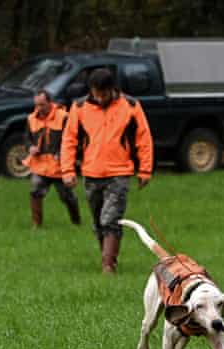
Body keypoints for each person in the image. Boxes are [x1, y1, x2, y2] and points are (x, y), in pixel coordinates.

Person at [60, 68, 154, 274]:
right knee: (97, 222)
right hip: (91, 172)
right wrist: (67, 170)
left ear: (112, 89)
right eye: (96, 93)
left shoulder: (130, 106)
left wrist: (145, 169)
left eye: (103, 93)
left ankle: (108, 265)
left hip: (119, 172)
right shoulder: (79, 107)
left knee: (109, 219)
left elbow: (143, 138)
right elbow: (69, 139)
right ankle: (108, 257)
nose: (99, 98)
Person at [24, 90, 81, 228]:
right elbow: (27, 139)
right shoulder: (31, 118)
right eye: (37, 105)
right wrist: (30, 147)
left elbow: (75, 138)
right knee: (35, 191)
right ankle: (36, 225)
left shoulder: (64, 117)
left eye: (42, 105)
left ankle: (76, 222)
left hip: (60, 166)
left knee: (66, 196)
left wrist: (64, 154)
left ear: (50, 102)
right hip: (40, 165)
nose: (39, 108)